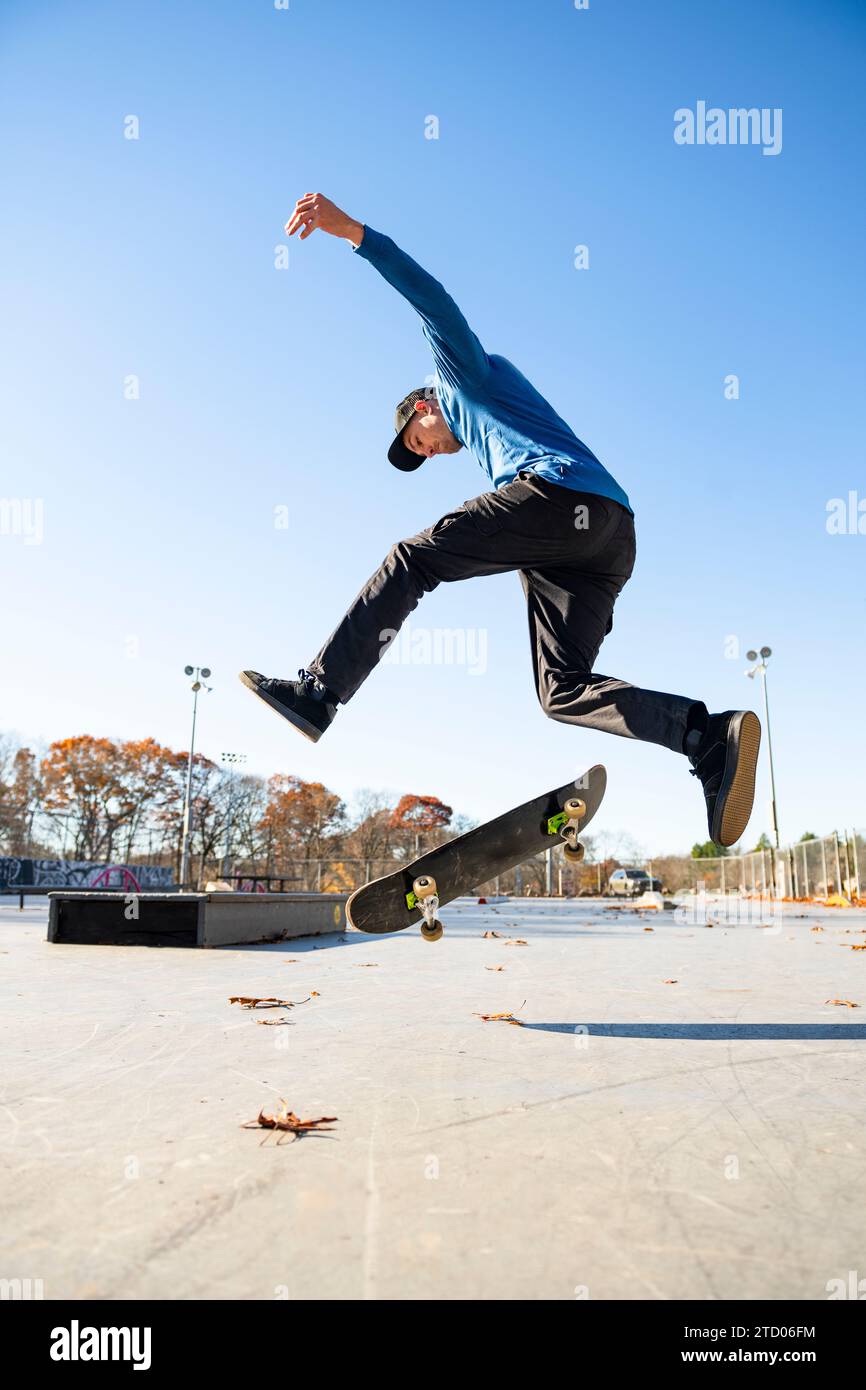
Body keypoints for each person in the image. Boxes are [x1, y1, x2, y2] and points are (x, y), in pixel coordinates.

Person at [241, 193, 761, 848]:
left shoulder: (460, 378)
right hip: (603, 537)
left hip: (560, 497)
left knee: (412, 559)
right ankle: (704, 736)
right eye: (418, 454)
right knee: (560, 690)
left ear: (426, 402)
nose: (424, 449)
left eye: (417, 435)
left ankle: (318, 693)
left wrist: (352, 233)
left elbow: (430, 296)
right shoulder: (493, 440)